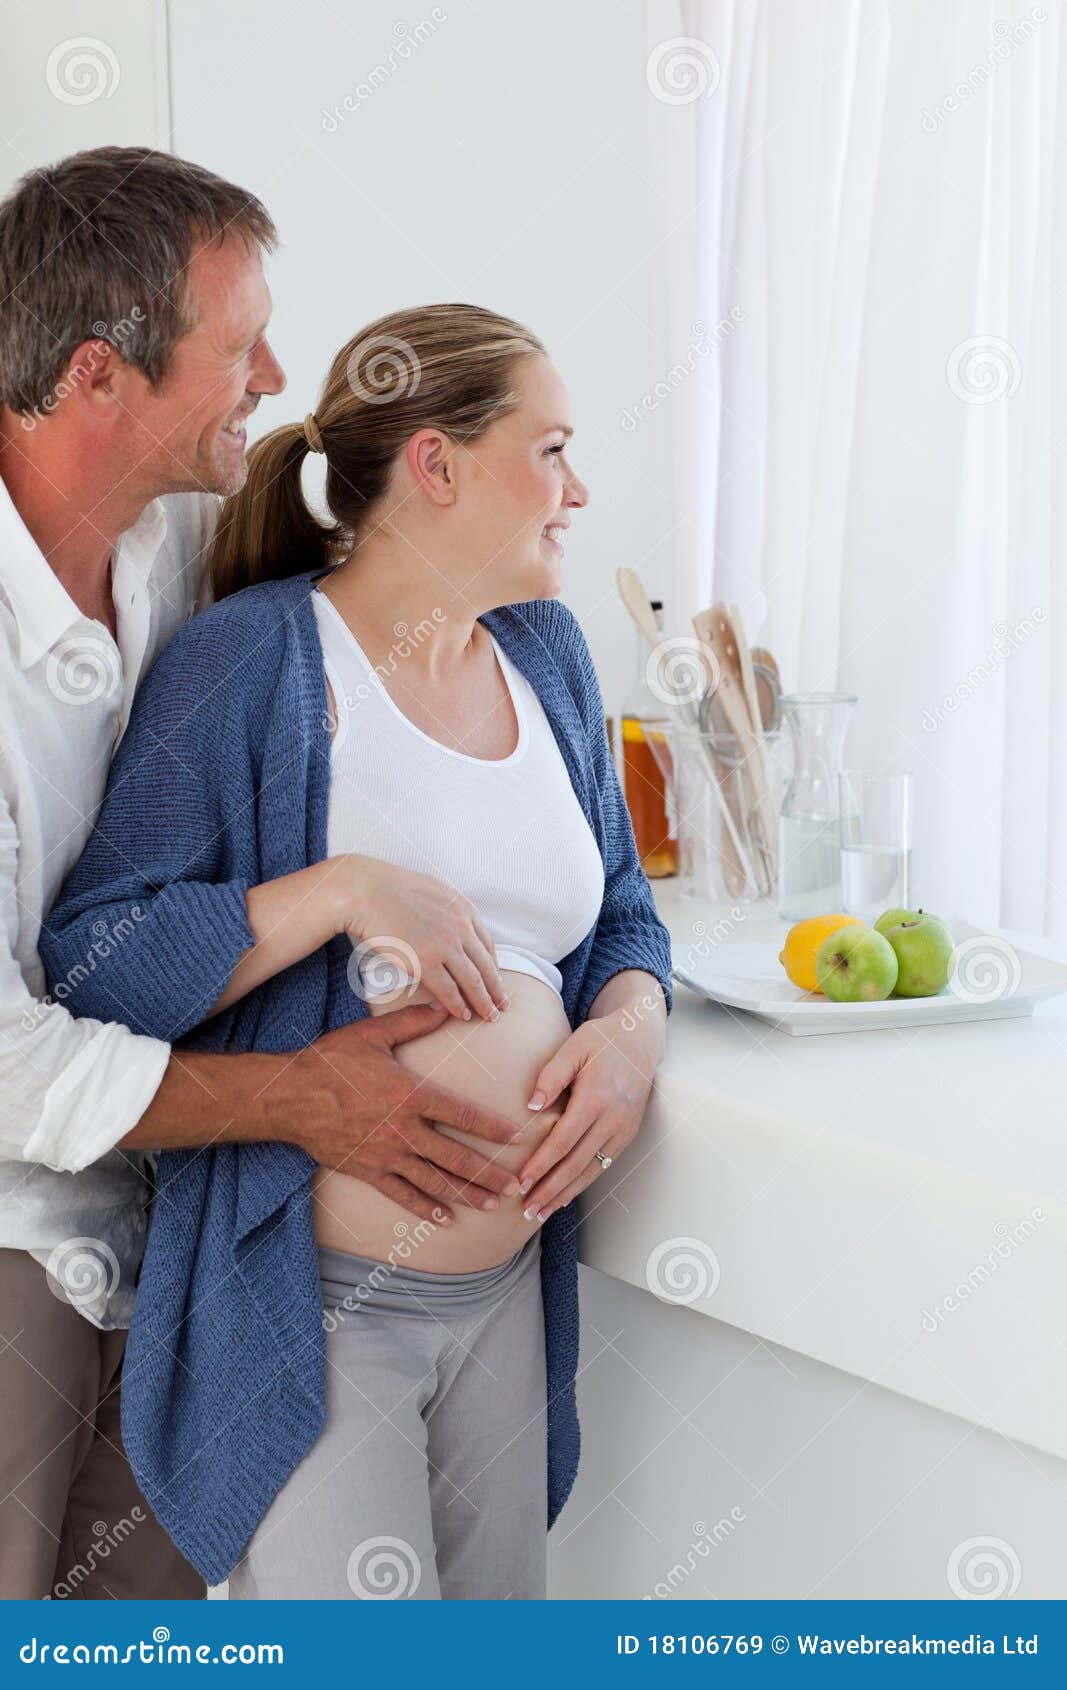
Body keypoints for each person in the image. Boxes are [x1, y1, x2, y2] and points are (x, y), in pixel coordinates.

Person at [42, 303, 674, 1599]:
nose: (578, 492)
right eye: (551, 451)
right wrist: (337, 892)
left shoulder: (548, 656)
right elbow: (98, 960)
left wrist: (628, 1032)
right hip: (314, 1309)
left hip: (509, 1293)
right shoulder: (250, 662)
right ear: (436, 465)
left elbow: (624, 912)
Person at [0, 149, 524, 1602]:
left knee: (141, 1637)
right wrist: (292, 1100)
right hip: (17, 1231)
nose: (274, 377)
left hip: (171, 1235)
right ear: (98, 375)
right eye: (241, 348)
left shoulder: (182, 549)